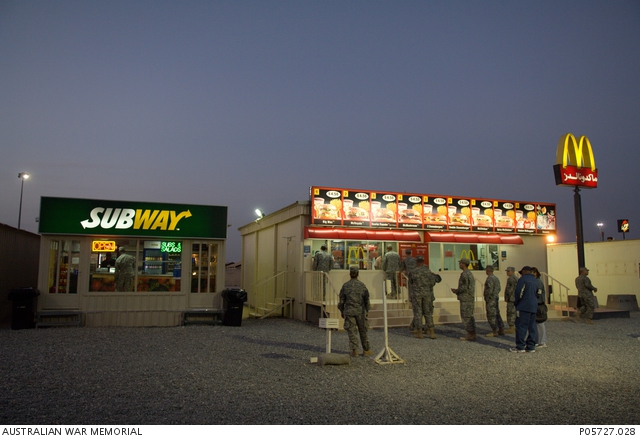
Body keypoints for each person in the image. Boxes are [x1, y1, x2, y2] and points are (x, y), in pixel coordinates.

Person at [338, 266, 373, 357]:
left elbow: (342, 300)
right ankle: (366, 350)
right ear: (358, 274)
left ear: (350, 274)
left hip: (349, 311)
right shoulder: (362, 285)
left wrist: (342, 310)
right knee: (363, 330)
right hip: (360, 311)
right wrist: (367, 310)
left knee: (352, 331)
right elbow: (366, 299)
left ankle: (354, 351)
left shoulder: (345, 286)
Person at [408, 256, 440, 339]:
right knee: (428, 313)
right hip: (427, 294)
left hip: (417, 294)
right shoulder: (428, 272)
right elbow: (433, 282)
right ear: (423, 261)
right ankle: (431, 331)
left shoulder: (413, 272)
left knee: (418, 313)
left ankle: (419, 332)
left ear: (417, 262)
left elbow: (411, 283)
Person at [509, 266, 538, 353]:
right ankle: (531, 346)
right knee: (532, 326)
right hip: (534, 306)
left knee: (521, 326)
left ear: (525, 271)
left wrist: (517, 303)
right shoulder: (535, 280)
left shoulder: (523, 279)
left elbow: (518, 292)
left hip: (524, 306)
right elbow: (538, 292)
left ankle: (520, 346)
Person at [451, 258, 476, 341]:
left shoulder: (465, 274)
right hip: (469, 298)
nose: (459, 264)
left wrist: (456, 291)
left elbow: (464, 287)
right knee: (470, 315)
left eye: (460, 263)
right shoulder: (469, 273)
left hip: (466, 298)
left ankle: (470, 333)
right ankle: (472, 333)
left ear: (463, 264)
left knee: (466, 316)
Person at [483, 265, 505, 337]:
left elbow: (489, 289)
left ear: (488, 270)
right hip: (495, 298)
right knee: (497, 313)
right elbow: (499, 288)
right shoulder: (496, 278)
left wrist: (488, 296)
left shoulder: (490, 278)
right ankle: (501, 328)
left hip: (491, 299)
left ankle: (494, 330)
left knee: (491, 315)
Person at [531, 267, 547, 348]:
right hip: (535, 304)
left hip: (539, 304)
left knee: (540, 323)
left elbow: (539, 293)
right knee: (536, 324)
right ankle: (538, 340)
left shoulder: (538, 282)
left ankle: (542, 341)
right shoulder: (534, 281)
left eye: (533, 272)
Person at [503, 266, 518, 334]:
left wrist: (507, 297)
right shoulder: (515, 278)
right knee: (513, 312)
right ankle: (514, 326)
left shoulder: (511, 279)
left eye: (508, 271)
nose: (507, 272)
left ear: (512, 271)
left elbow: (510, 289)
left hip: (511, 298)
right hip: (514, 298)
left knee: (510, 312)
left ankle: (511, 327)